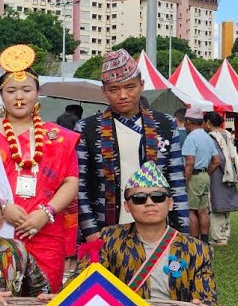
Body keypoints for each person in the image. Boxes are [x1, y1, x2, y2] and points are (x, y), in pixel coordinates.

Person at [0, 45, 79, 290]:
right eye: (11, 90)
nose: (19, 97)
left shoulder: (58, 137)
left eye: (26, 90)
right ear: (2, 95)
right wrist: (2, 207)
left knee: (44, 305)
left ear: (37, 93)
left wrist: (46, 213)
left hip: (45, 231)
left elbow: (71, 181)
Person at [79, 161, 218, 306]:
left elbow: (207, 298)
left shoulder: (196, 249)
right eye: (139, 199)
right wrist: (61, 297)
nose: (149, 202)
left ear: (171, 203)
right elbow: (83, 280)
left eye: (158, 197)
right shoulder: (109, 238)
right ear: (127, 206)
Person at [75, 49, 186, 242]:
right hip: (105, 229)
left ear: (142, 85)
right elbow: (79, 186)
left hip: (159, 228)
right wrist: (91, 231)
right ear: (103, 91)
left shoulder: (167, 125)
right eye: (114, 89)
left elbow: (176, 181)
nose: (123, 95)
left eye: (130, 87)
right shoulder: (87, 128)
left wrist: (182, 232)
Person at [205, 112, 238, 246]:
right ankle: (224, 234)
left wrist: (210, 171)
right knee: (225, 205)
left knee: (216, 204)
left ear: (208, 123)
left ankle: (219, 238)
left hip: (218, 173)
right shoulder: (226, 134)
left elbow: (220, 158)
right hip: (228, 172)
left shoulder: (212, 137)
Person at [181, 107, 220, 240]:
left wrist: (185, 182)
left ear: (188, 122)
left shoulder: (191, 138)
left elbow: (190, 162)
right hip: (204, 176)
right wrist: (205, 173)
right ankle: (204, 241)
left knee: (191, 210)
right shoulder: (207, 137)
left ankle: (193, 240)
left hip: (194, 176)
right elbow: (216, 161)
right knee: (202, 211)